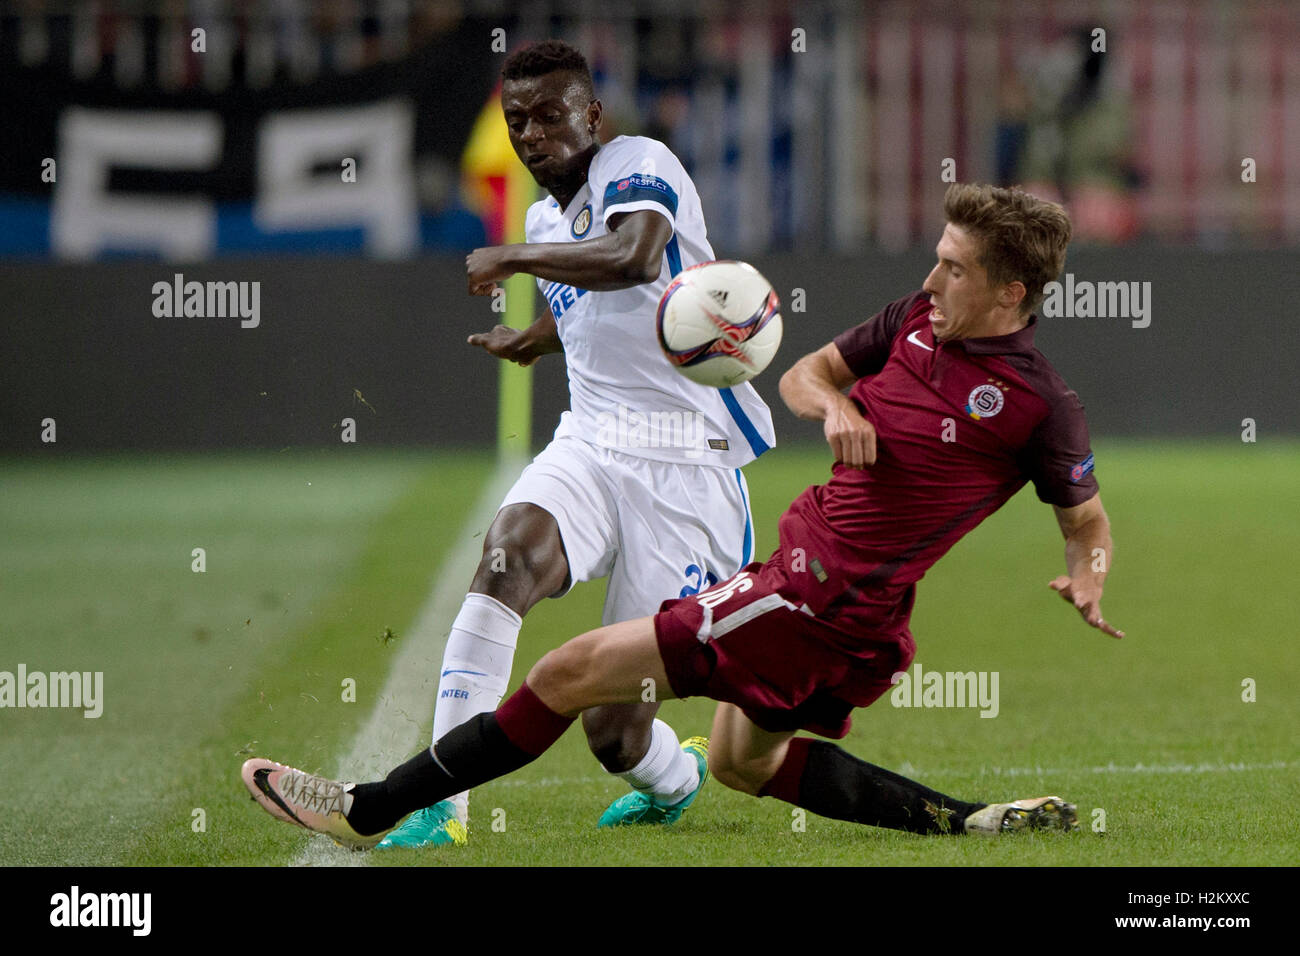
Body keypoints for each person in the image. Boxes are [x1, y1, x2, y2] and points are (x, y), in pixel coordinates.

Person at [243, 183, 1121, 848]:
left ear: (1011, 292)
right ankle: (970, 825)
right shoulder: (915, 323)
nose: (931, 277)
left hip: (810, 601)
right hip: (834, 608)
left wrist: (1089, 571)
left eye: (954, 268)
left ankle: (371, 810)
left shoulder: (1040, 406)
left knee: (566, 671)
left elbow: (1084, 518)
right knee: (744, 762)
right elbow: (803, 374)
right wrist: (839, 409)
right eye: (935, 256)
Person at [372, 40, 775, 849]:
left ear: (592, 114)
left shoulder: (638, 162)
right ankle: (439, 804)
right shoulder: (543, 214)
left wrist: (512, 258)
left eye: (550, 114)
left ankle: (676, 776)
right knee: (507, 558)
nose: (530, 133)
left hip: (685, 461)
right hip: (590, 441)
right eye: (516, 119)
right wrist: (534, 337)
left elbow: (633, 257)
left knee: (614, 732)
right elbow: (588, 304)